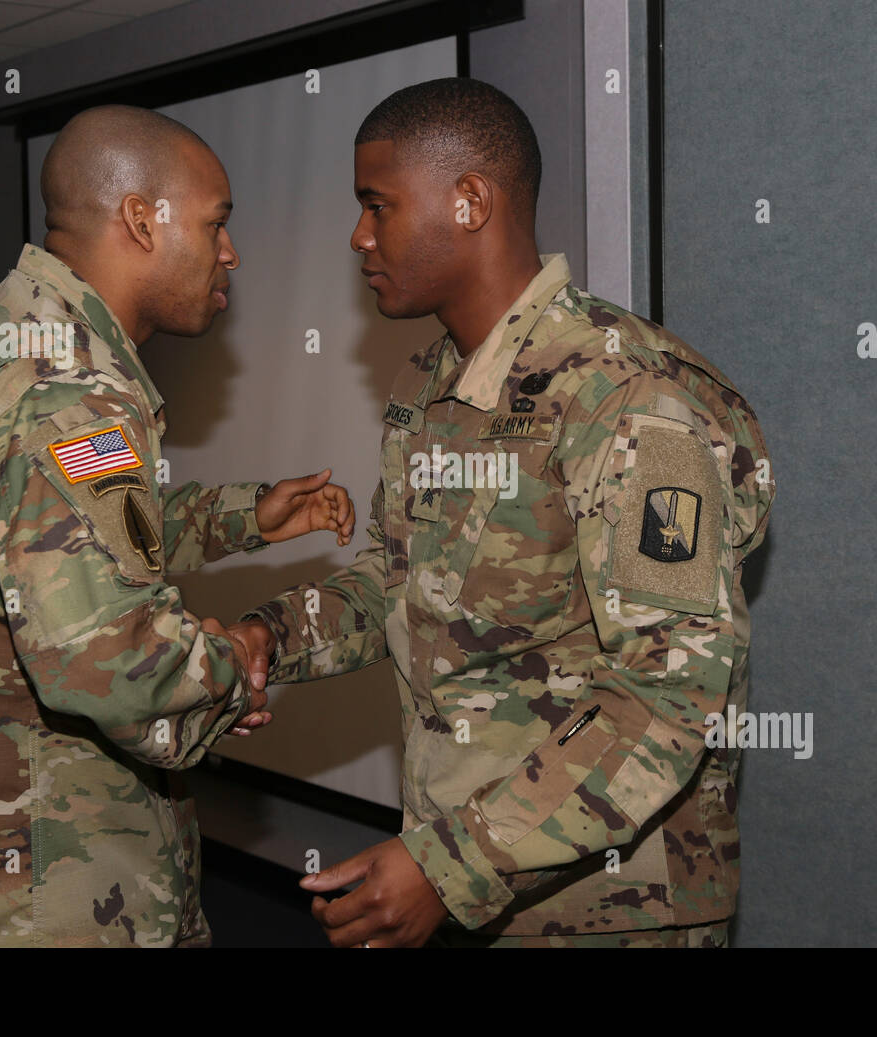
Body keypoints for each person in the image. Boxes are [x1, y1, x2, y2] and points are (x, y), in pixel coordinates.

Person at [230, 78, 775, 947]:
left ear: (470, 200)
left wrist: (455, 865)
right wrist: (274, 635)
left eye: (378, 205)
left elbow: (673, 689)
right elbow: (400, 580)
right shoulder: (430, 384)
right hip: (473, 872)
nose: (358, 236)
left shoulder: (628, 398)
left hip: (606, 905)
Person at [0, 104, 354, 947]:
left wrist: (244, 518)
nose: (229, 251)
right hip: (29, 890)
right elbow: (111, 664)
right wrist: (235, 663)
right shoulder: (70, 392)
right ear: (140, 220)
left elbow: (57, 542)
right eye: (216, 223)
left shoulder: (0, 336)